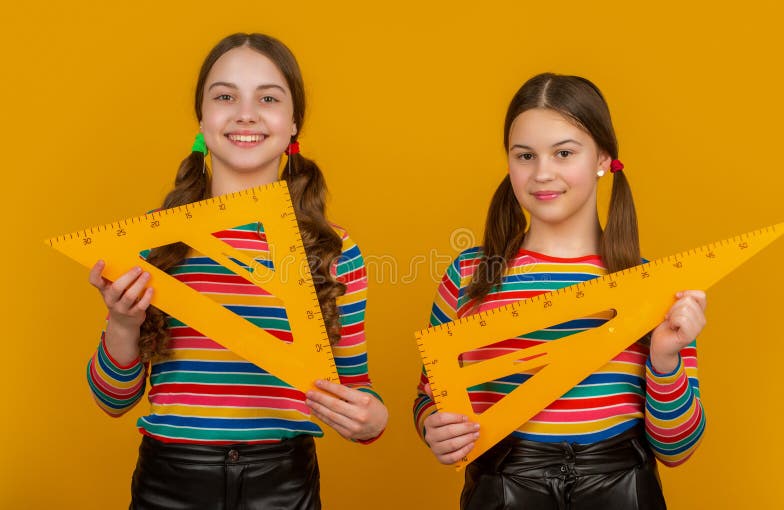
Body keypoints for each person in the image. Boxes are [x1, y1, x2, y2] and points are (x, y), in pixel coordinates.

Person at [86, 33, 387, 509]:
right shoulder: (154, 241)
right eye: (225, 96)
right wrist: (123, 322)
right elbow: (112, 401)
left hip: (284, 485)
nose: (246, 113)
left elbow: (356, 389)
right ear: (202, 121)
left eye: (268, 98)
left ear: (293, 125)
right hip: (168, 482)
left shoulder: (334, 250)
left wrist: (372, 421)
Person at [413, 73, 706, 509]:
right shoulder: (470, 274)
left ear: (603, 158)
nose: (542, 173)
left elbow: (677, 449)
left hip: (623, 490)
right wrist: (434, 427)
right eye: (525, 155)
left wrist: (665, 359)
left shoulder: (652, 286)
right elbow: (428, 397)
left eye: (564, 152)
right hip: (503, 489)